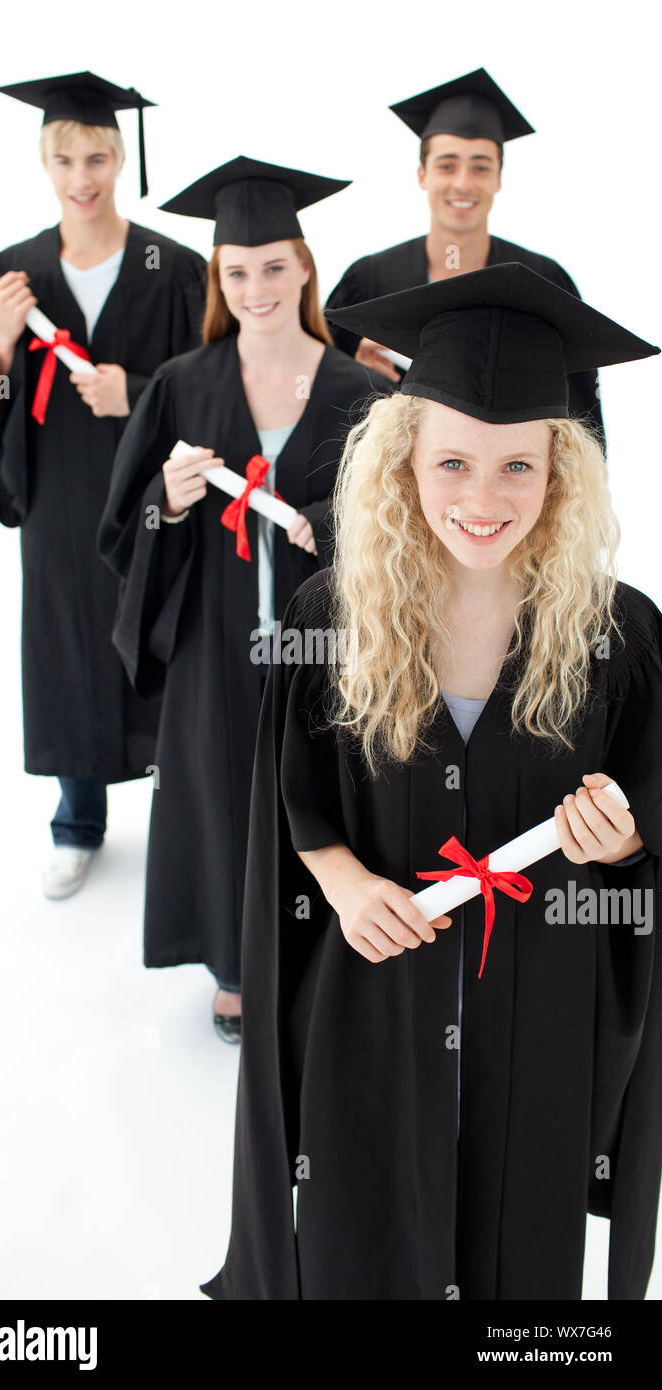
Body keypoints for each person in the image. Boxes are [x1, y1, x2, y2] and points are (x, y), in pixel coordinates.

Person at [202, 263, 662, 1299]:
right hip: (373, 997)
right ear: (402, 459)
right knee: (363, 1226)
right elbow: (288, 799)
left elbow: (650, 811)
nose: (481, 497)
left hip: (540, 1008)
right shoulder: (335, 614)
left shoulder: (614, 633)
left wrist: (620, 843)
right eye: (451, 461)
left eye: (517, 467)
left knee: (515, 1261)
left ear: (561, 474)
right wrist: (344, 882)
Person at [98, 156, 392, 1042]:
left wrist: (324, 526)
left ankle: (320, 957)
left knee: (325, 792)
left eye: (274, 266)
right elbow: (124, 527)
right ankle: (232, 962)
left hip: (325, 648)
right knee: (222, 791)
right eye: (237, 271)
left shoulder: (360, 393)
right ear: (217, 280)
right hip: (214, 641)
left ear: (304, 266)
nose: (257, 286)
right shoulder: (182, 386)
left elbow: (396, 530)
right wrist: (169, 501)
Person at [0, 72, 207, 899]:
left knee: (170, 648)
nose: (82, 176)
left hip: (157, 503)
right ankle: (78, 820)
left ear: (119, 154)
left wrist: (131, 391)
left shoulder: (170, 266)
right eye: (64, 158)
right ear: (45, 162)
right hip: (62, 508)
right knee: (68, 650)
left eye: (97, 155)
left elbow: (214, 380)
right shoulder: (15, 272)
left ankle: (186, 823)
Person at [325, 67, 603, 437]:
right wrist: (355, 374)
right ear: (422, 174)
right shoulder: (369, 281)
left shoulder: (542, 283)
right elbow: (319, 410)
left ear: (499, 177)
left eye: (480, 167)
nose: (462, 183)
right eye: (447, 165)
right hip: (394, 491)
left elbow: (580, 421)